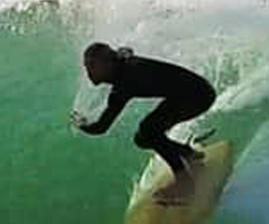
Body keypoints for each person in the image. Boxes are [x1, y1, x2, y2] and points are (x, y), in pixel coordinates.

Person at [71, 43, 217, 203]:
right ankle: (187, 153)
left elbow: (101, 128)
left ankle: (185, 182)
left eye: (93, 65)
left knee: (149, 130)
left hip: (197, 96)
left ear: (108, 63)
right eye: (86, 66)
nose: (88, 72)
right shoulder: (122, 61)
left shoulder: (124, 84)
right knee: (142, 139)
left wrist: (81, 124)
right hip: (193, 92)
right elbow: (125, 50)